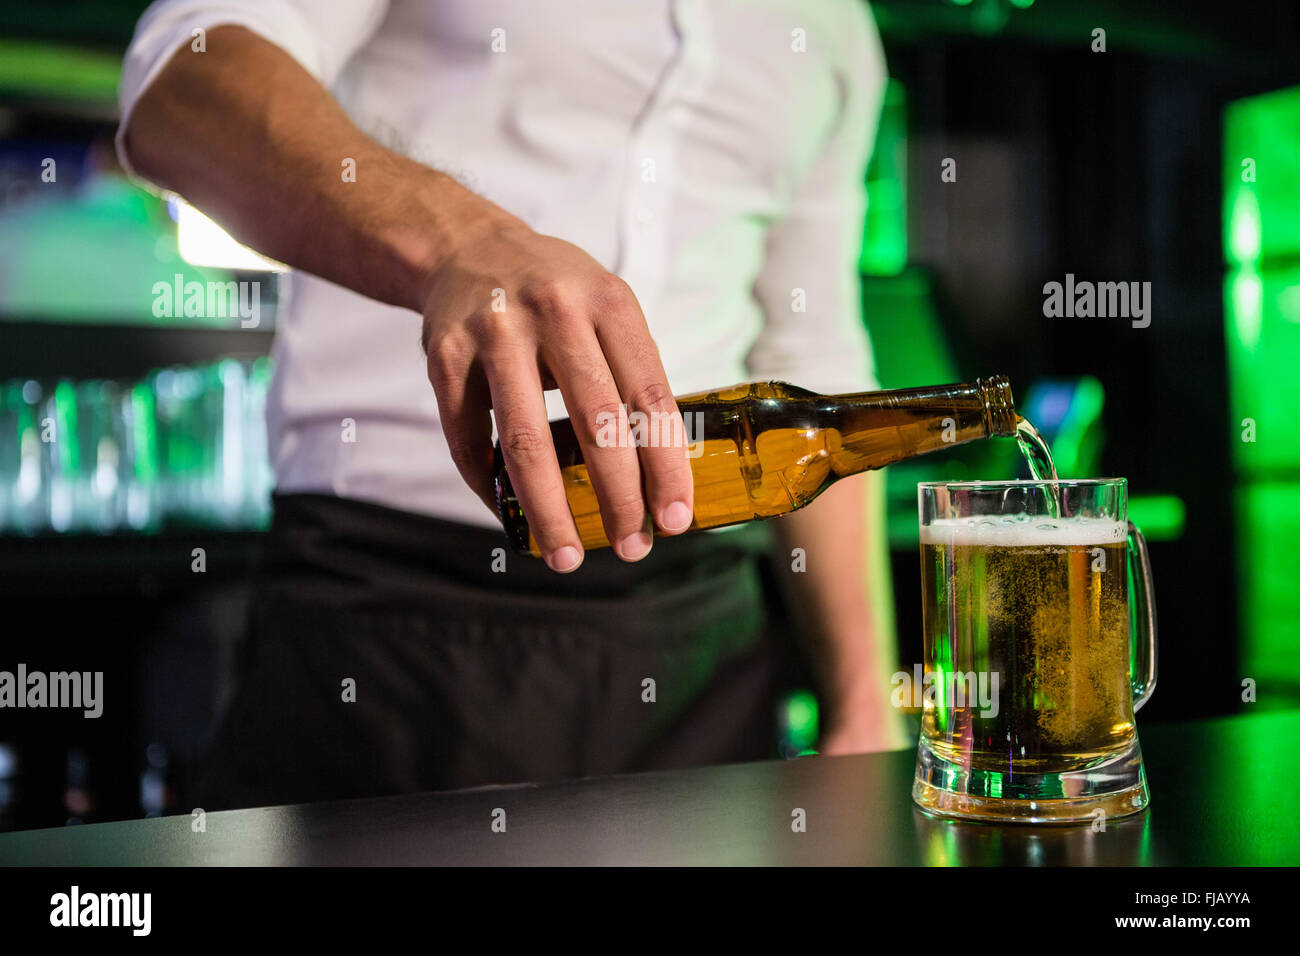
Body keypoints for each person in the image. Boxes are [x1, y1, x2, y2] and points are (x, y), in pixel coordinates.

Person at [117, 0, 909, 809]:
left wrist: (863, 703)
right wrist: (463, 244)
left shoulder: (835, 26)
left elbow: (813, 353)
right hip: (393, 621)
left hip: (699, 641)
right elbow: (181, 82)